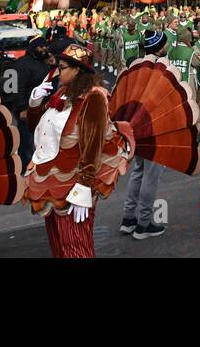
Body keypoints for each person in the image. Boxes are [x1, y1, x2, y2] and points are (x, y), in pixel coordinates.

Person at [23, 42, 130, 258]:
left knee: (76, 248)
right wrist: (34, 103)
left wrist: (84, 188)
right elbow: (39, 130)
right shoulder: (62, 94)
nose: (56, 72)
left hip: (74, 184)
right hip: (51, 181)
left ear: (77, 70)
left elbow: (92, 145)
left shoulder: (93, 98)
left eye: (61, 67)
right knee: (59, 246)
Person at [119, 25, 170, 240]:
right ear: (159, 49)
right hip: (155, 127)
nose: (168, 45)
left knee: (138, 171)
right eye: (165, 43)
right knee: (151, 175)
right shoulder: (162, 68)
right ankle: (144, 223)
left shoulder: (137, 66)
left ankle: (128, 219)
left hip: (136, 127)